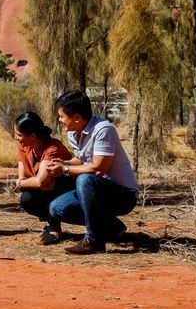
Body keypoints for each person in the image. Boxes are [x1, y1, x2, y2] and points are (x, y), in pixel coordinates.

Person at [45, 90, 140, 255]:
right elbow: (81, 160)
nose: (60, 120)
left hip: (123, 195)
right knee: (57, 208)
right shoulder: (74, 133)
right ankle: (112, 226)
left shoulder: (104, 129)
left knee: (85, 180)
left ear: (76, 117)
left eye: (62, 116)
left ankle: (94, 240)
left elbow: (97, 169)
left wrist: (64, 170)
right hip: (96, 191)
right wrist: (64, 162)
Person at [12, 111, 76, 245]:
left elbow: (40, 181)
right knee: (27, 199)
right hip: (47, 189)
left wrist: (22, 183)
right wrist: (22, 182)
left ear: (33, 136)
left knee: (51, 185)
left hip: (69, 193)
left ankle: (54, 227)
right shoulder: (24, 145)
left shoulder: (53, 149)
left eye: (19, 135)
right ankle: (51, 222)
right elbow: (23, 170)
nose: (16, 138)